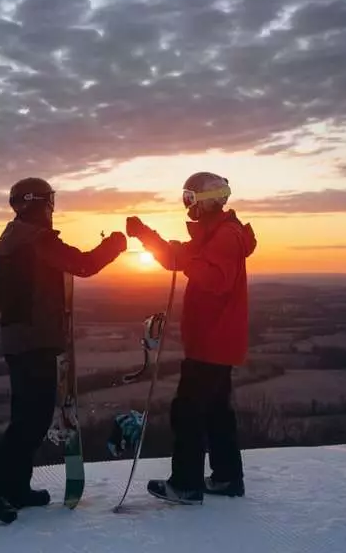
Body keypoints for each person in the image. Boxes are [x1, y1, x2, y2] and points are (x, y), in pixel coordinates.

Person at [0, 177, 127, 523]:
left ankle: (16, 487)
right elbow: (83, 265)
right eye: (50, 201)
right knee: (32, 420)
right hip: (35, 341)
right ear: (39, 203)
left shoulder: (13, 238)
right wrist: (115, 245)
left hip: (19, 339)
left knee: (27, 416)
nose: (53, 208)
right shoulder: (37, 241)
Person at [125, 171, 257, 504]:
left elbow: (215, 280)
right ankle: (227, 478)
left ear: (209, 199)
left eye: (190, 198)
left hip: (211, 342)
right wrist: (144, 235)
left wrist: (189, 262)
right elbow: (177, 256)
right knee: (216, 412)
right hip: (215, 341)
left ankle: (186, 484)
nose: (187, 206)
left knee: (187, 412)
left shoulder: (224, 236)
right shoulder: (212, 235)